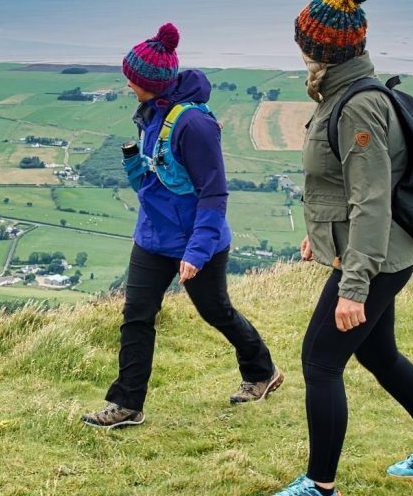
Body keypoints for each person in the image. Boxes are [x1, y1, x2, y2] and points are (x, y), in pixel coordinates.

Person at [252, 0, 413, 496]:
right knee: (379, 353)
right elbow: (342, 187)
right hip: (375, 255)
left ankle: (319, 490)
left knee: (319, 362)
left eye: (302, 40)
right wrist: (320, 236)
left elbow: (371, 201)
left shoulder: (355, 107)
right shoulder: (343, 92)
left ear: (314, 46)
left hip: (373, 262)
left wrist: (354, 285)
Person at [82, 22, 281, 429]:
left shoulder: (194, 125)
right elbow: (159, 176)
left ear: (149, 82)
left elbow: (214, 193)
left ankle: (262, 372)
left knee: (216, 311)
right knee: (137, 314)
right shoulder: (152, 111)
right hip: (153, 236)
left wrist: (196, 250)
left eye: (130, 78)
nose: (126, 84)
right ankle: (127, 404)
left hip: (196, 241)